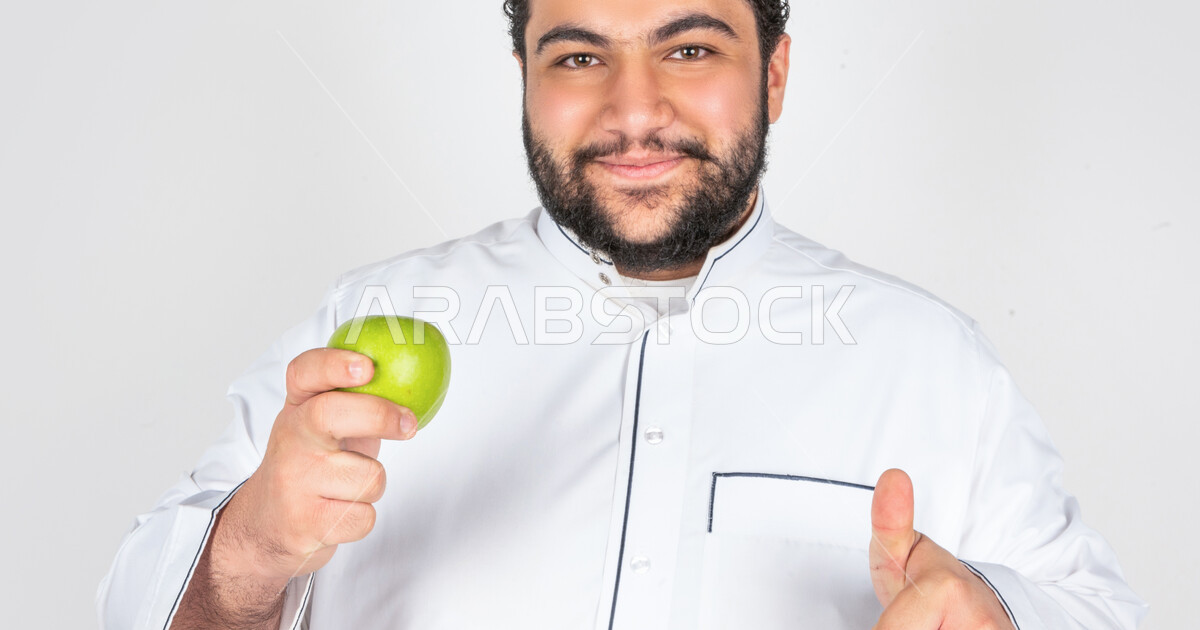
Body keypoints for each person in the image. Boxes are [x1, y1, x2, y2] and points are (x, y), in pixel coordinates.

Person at [97, 0, 1147, 628]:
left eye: (690, 49)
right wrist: (249, 553)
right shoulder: (369, 324)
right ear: (523, 75)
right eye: (580, 55)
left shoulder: (933, 361)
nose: (634, 109)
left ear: (774, 74)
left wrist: (998, 613)